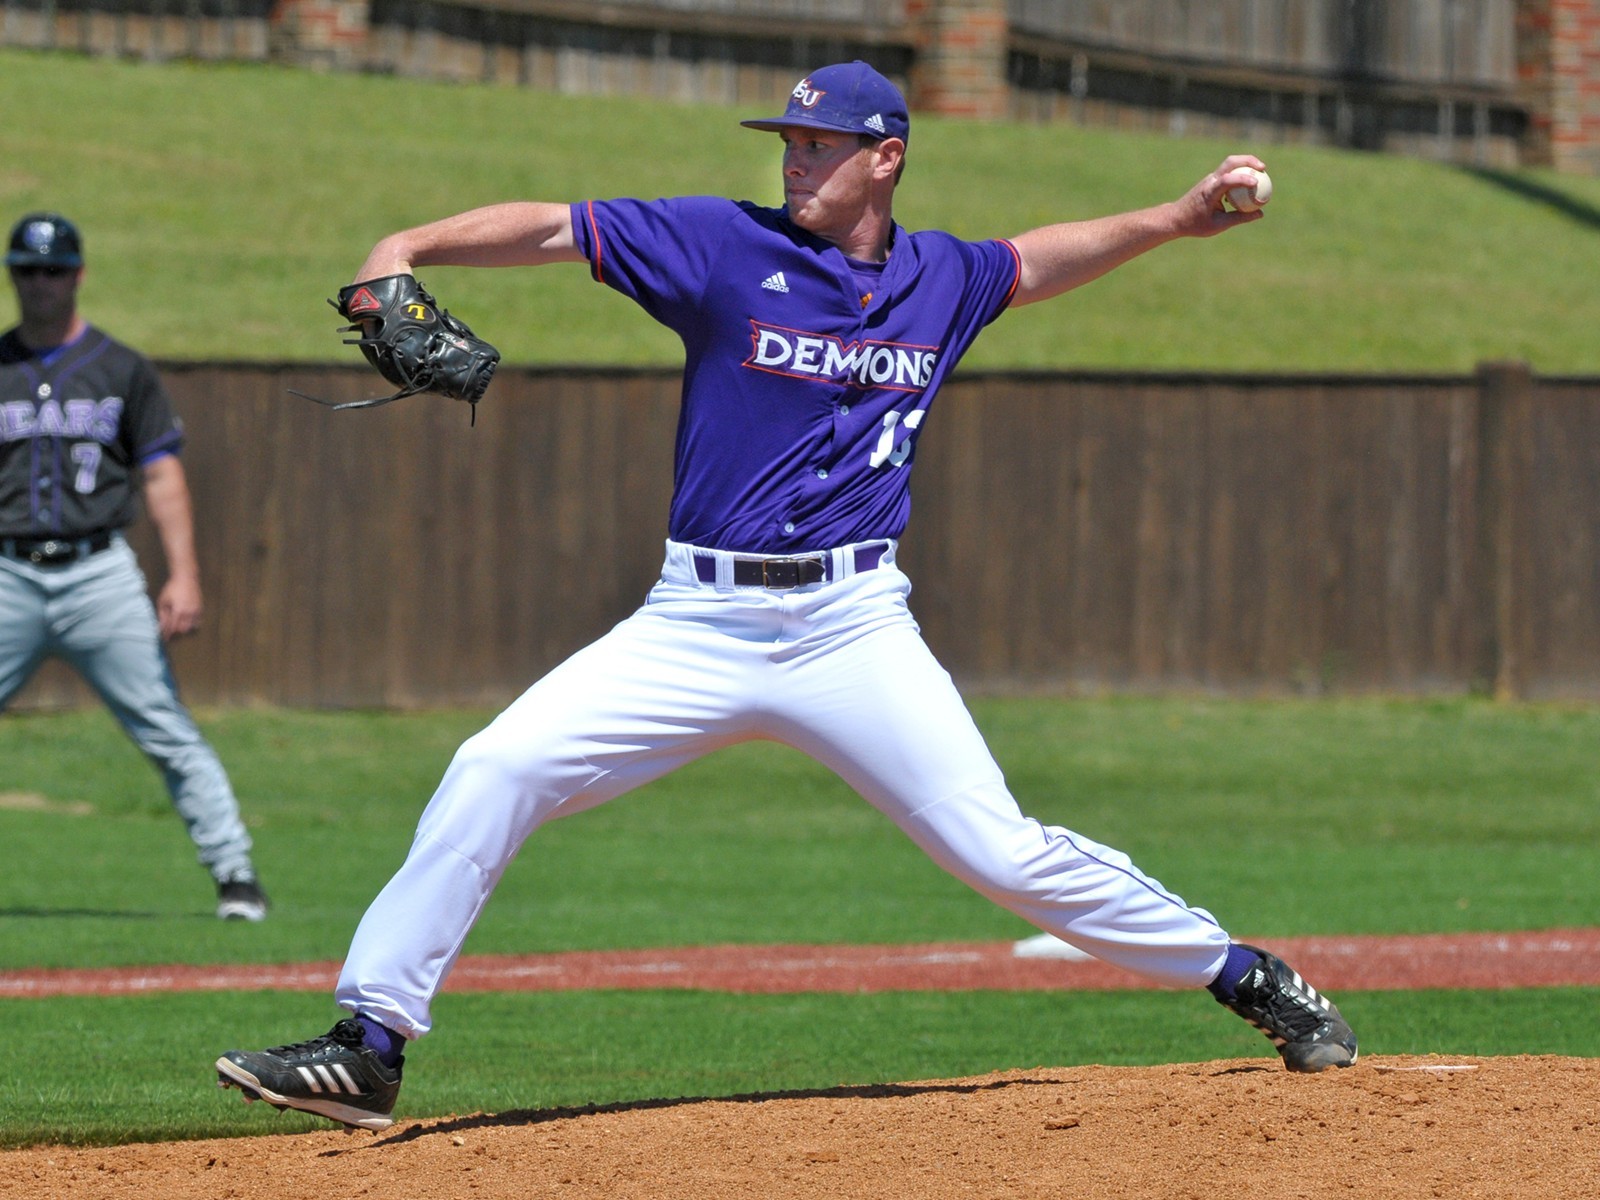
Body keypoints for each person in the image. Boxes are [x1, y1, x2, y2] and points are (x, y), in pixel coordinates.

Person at [215, 61, 1354, 1130]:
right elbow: (558, 227)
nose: (795, 161)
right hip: (694, 622)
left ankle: (1247, 975)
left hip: (853, 628)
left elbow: (1034, 258)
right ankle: (372, 1044)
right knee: (495, 769)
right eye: (789, 142)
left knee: (997, 852)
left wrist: (1175, 216)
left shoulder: (939, 279)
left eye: (821, 144)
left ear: (886, 158)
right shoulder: (717, 244)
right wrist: (406, 244)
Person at [0, 212, 268, 922]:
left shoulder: (121, 368)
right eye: (27, 268)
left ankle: (236, 875)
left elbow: (162, 476)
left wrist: (183, 574)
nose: (41, 282)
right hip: (9, 573)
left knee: (165, 726)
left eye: (54, 269)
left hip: (99, 575)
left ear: (80, 274)